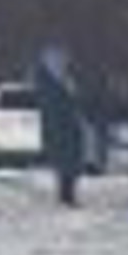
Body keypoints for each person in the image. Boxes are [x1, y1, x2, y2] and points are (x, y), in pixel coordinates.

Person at [33, 45, 88, 207]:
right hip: (63, 129)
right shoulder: (52, 85)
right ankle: (66, 195)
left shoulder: (60, 81)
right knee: (66, 162)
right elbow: (57, 109)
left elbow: (73, 102)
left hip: (68, 128)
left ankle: (67, 193)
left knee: (70, 162)